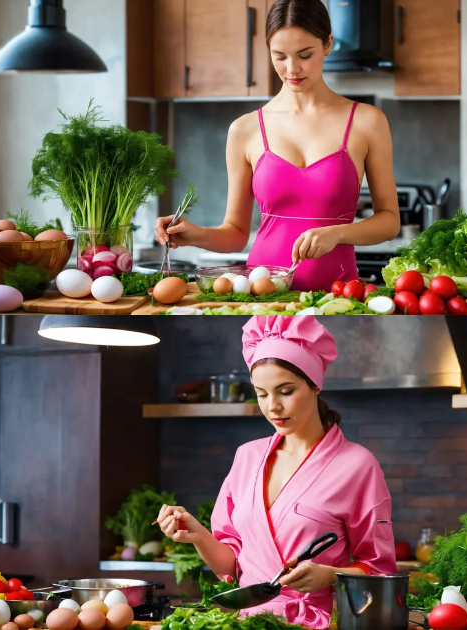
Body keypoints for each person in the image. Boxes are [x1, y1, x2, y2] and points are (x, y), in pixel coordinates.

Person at [153, 316, 396, 629]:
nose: (272, 407)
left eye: (285, 391)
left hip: (317, 622)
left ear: (314, 385)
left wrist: (329, 575)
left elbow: (380, 570)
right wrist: (197, 535)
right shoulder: (247, 456)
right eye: (262, 393)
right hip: (247, 622)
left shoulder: (357, 465)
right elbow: (234, 567)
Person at [154, 0, 400, 291]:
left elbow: (389, 221)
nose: (292, 69)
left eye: (304, 55)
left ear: (328, 44)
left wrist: (337, 233)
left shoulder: (367, 121)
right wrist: (194, 234)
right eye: (279, 56)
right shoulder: (244, 129)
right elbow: (235, 233)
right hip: (263, 292)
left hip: (338, 293)